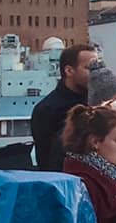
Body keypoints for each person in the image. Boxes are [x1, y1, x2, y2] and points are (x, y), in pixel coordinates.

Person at [32, 42, 99, 172]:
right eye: (89, 68)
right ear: (69, 70)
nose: (96, 73)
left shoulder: (96, 101)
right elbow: (48, 159)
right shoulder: (47, 110)